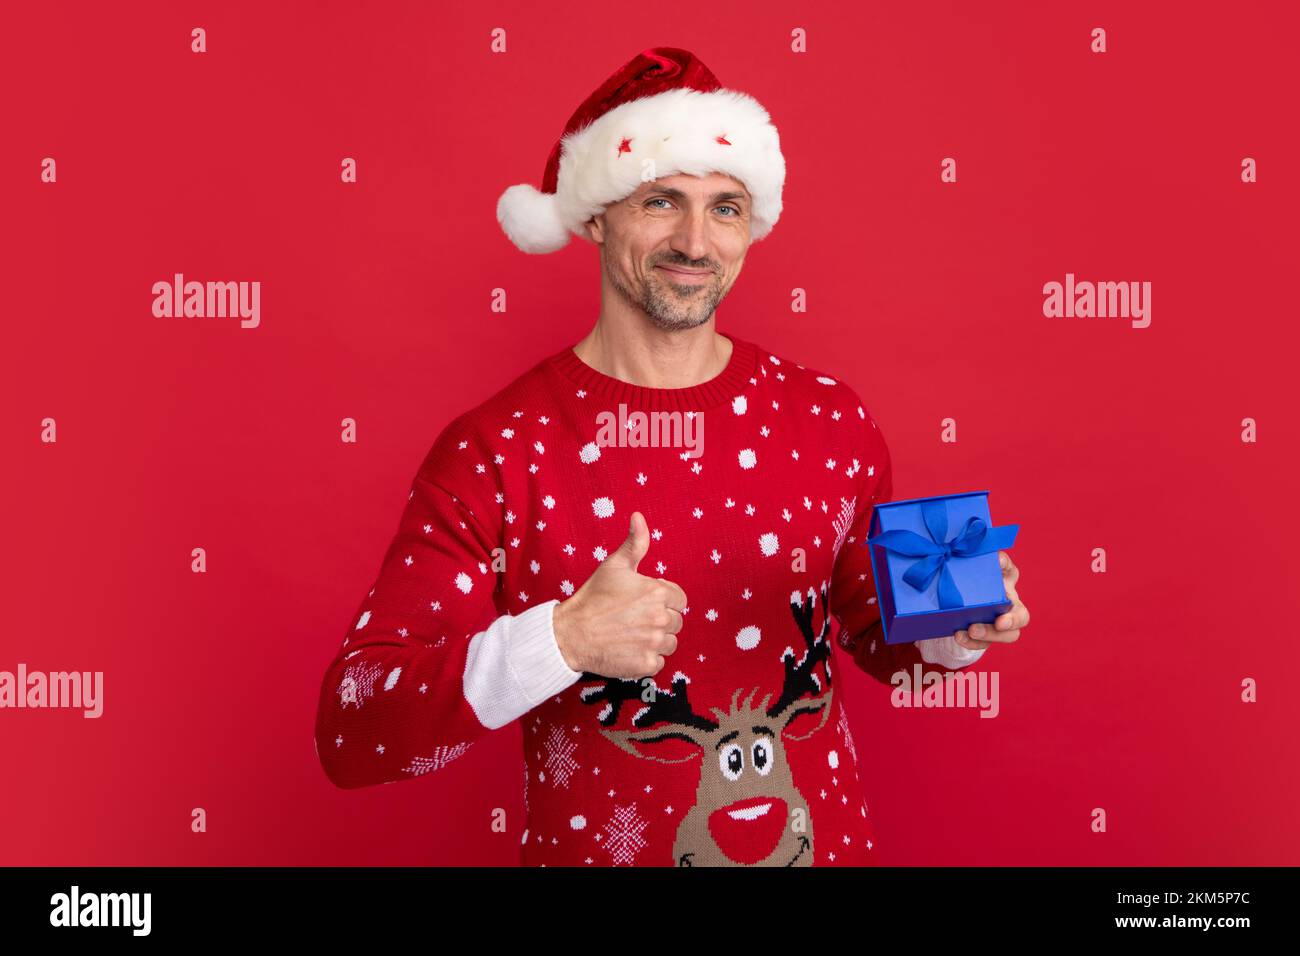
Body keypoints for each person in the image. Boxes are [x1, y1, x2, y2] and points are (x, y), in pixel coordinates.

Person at [313, 46, 1030, 867]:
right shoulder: (496, 449)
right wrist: (562, 640)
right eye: (661, 201)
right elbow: (354, 731)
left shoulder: (830, 418)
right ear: (593, 217)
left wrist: (959, 627)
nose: (696, 241)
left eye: (726, 208)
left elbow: (877, 635)